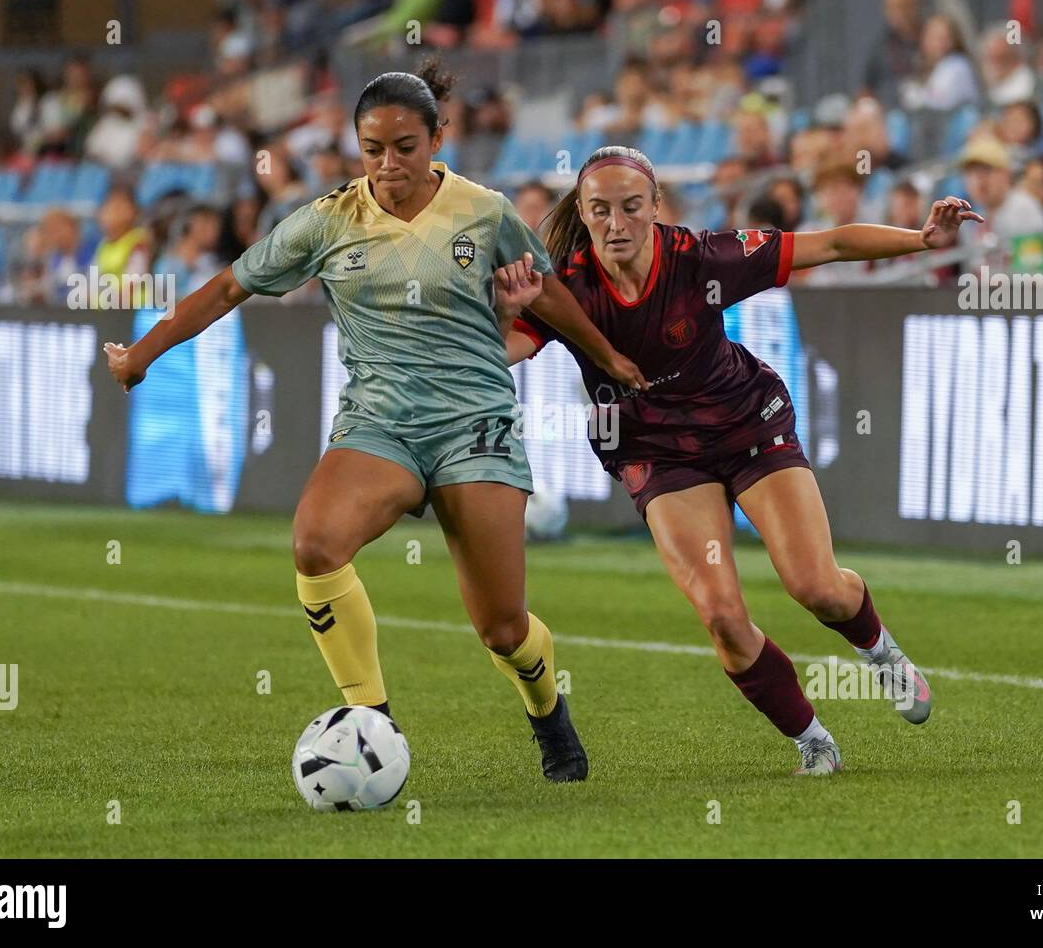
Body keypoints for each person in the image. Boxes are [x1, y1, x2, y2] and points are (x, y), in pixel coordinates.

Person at [103, 62, 646, 784]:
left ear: (437, 139)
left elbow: (544, 292)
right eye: (372, 148)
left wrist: (607, 355)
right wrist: (142, 354)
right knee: (315, 545)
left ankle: (549, 717)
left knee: (503, 628)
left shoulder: (485, 212)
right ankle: (372, 723)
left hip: (474, 423)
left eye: (404, 147)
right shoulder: (328, 219)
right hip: (379, 423)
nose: (388, 163)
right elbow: (230, 285)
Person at [499, 146, 983, 775]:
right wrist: (504, 308)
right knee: (723, 618)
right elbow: (502, 349)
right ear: (583, 214)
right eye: (600, 211)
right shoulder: (566, 288)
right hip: (655, 452)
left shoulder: (703, 257)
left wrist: (923, 239)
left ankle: (879, 649)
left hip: (746, 425)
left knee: (818, 588)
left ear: (655, 208)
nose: (616, 223)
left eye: (630, 208)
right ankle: (812, 738)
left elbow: (830, 245)